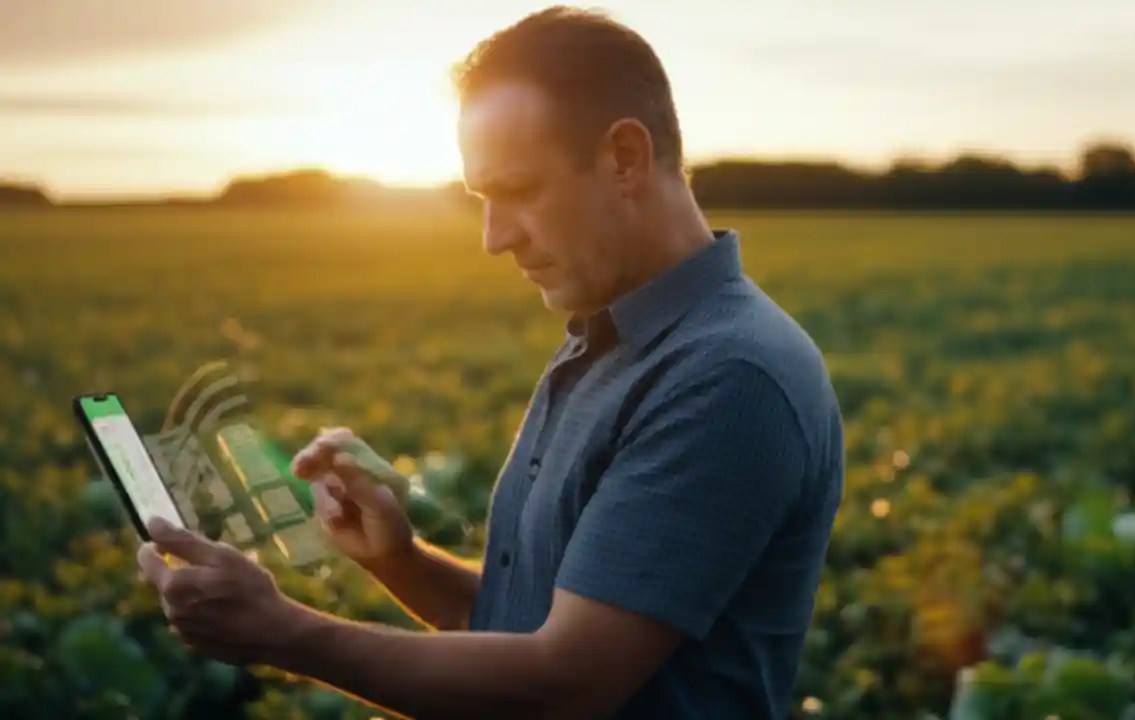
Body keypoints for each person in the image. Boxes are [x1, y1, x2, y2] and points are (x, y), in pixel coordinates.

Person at [137, 6, 844, 718]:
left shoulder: (727, 376)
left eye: (518, 191)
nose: (494, 237)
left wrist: (282, 632)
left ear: (625, 158)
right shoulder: (609, 339)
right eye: (482, 199)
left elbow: (565, 683)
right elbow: (532, 626)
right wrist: (399, 562)